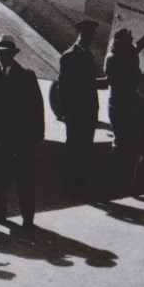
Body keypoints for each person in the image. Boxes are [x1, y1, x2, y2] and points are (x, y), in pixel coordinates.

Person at [0, 33, 44, 226]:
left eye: (7, 52)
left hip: (21, 139)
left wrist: (37, 136)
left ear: (14, 54)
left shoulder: (27, 76)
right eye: (0, 52)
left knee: (24, 179)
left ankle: (27, 218)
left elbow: (37, 107)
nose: (3, 56)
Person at [104, 27, 144, 195]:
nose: (131, 42)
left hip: (128, 103)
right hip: (119, 105)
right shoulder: (112, 58)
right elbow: (113, 81)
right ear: (120, 42)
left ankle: (126, 183)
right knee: (121, 143)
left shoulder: (129, 51)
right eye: (127, 39)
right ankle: (115, 183)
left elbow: (141, 43)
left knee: (129, 144)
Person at [52, 20, 102, 194]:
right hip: (76, 113)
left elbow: (86, 82)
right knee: (74, 150)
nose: (91, 39)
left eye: (91, 36)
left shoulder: (87, 54)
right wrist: (66, 113)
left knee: (85, 149)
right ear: (81, 36)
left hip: (88, 111)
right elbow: (63, 87)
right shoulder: (69, 56)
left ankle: (80, 184)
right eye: (89, 36)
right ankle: (70, 187)